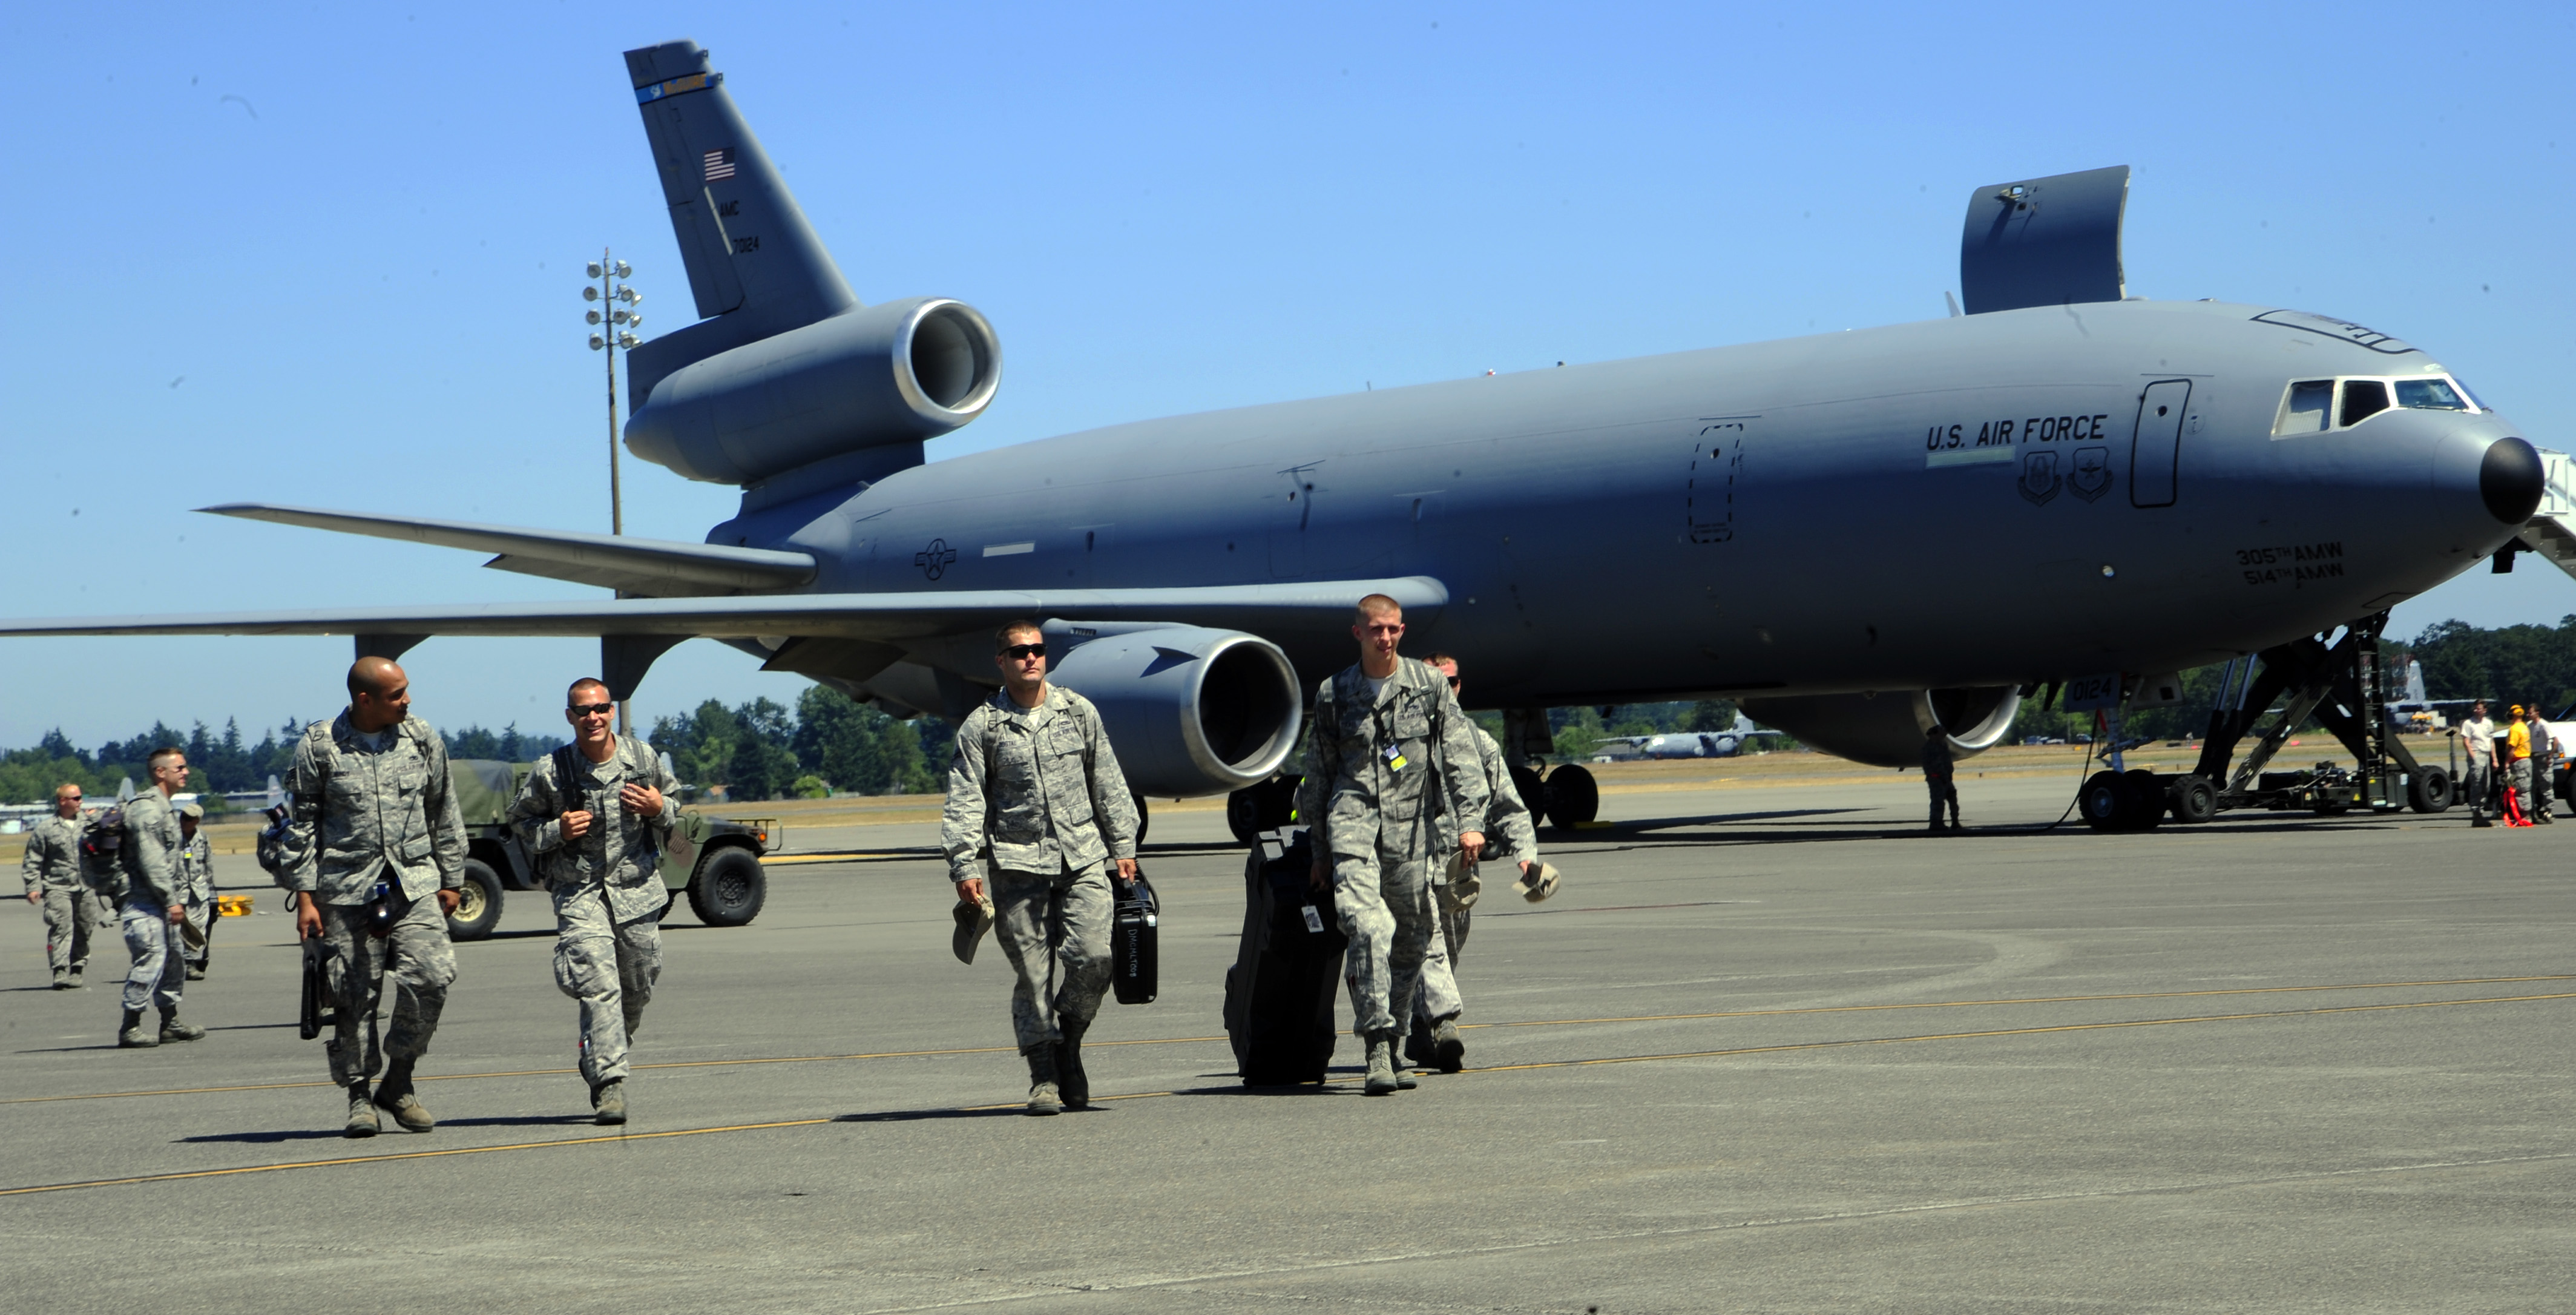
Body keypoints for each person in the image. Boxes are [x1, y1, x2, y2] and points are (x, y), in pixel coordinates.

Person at [941, 621, 1141, 1115]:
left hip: (1083, 859)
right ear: (1001, 662)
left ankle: (1067, 1039)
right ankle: (1044, 1077)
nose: (1030, 658)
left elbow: (1107, 779)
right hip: (1016, 865)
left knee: (1096, 957)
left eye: (1037, 650)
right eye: (1019, 652)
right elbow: (965, 797)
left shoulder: (1077, 712)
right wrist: (964, 862)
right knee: (1033, 977)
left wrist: (1124, 845)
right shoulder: (983, 726)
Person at [1295, 595, 1488, 1096]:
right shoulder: (1335, 693)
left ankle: (1399, 1038)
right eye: (1375, 630)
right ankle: (1377, 1046)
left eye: (1393, 630)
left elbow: (1461, 755)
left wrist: (1471, 823)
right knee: (1369, 928)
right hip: (1353, 828)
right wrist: (1319, 851)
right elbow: (1316, 778)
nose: (1385, 638)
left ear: (1403, 631)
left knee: (1412, 939)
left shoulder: (1428, 690)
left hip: (1413, 835)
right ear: (1357, 633)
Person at [283, 656, 465, 1138]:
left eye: (406, 690)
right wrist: (305, 898)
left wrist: (452, 878)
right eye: (397, 693)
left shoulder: (421, 738)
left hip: (414, 882)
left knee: (432, 976)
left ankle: (399, 1079)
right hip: (344, 890)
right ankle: (359, 1096)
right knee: (352, 997)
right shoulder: (319, 747)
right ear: (365, 700)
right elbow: (301, 825)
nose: (407, 700)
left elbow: (444, 809)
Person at [507, 677, 684, 1125]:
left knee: (638, 986)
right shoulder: (552, 771)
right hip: (580, 893)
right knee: (598, 985)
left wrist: (657, 808)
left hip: (636, 891)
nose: (594, 717)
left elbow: (676, 808)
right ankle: (610, 1085)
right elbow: (521, 826)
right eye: (583, 710)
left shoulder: (643, 759)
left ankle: (600, 1052)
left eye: (602, 708)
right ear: (570, 716)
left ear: (611, 711)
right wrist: (557, 832)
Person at [1407, 654, 1544, 1073]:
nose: (1445, 689)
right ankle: (1446, 1025)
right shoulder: (1398, 737)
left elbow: (1508, 805)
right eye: (1436, 682)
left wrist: (1527, 857)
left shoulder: (1477, 741)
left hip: (1459, 871)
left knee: (1448, 946)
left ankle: (1420, 1029)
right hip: (1408, 863)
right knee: (1426, 942)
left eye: (1452, 681)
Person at [114, 748, 202, 1048]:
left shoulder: (165, 807)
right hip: (145, 903)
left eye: (185, 767)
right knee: (150, 961)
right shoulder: (148, 810)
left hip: (162, 903)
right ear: (160, 772)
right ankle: (131, 1027)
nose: (186, 772)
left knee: (174, 962)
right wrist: (170, 900)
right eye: (179, 768)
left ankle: (170, 1022)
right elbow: (153, 861)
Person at [21, 783, 108, 990]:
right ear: (63, 801)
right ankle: (60, 970)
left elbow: (109, 829)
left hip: (86, 885)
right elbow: (33, 859)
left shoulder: (88, 823)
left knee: (85, 928)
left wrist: (96, 817)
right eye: (76, 798)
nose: (81, 802)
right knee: (61, 927)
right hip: (57, 886)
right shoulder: (46, 828)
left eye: (81, 798)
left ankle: (77, 968)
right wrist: (33, 887)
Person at [176, 802, 216, 979]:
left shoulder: (202, 838)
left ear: (197, 821)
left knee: (197, 929)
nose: (184, 821)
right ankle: (178, 965)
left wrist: (211, 890)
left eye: (189, 819)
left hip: (198, 890)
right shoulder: (173, 837)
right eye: (183, 817)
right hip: (177, 890)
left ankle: (192, 964)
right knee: (176, 931)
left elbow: (208, 864)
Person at [2459, 700, 2496, 828]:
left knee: (2486, 785)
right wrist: (2473, 756)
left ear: (2485, 710)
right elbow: (2466, 741)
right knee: (2477, 784)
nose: (2476, 710)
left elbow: (2491, 742)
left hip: (2486, 755)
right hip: (2476, 753)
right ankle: (2476, 813)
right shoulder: (2469, 724)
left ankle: (2481, 811)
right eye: (2475, 708)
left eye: (2479, 708)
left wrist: (2494, 759)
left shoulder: (2488, 723)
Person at [1921, 725, 1961, 833]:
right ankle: (1936, 823)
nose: (1944, 733)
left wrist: (1949, 775)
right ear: (1934, 734)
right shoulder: (1930, 747)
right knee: (1938, 801)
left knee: (1953, 799)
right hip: (1937, 779)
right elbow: (1936, 764)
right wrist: (1944, 776)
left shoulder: (1943, 745)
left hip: (1946, 778)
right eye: (1941, 731)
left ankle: (1955, 822)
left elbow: (1946, 761)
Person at [2524, 704, 2555, 825]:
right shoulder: (2529, 726)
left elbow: (2555, 741)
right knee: (2531, 786)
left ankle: (2549, 810)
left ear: (2537, 712)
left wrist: (2550, 756)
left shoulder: (2544, 725)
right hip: (2532, 757)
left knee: (2546, 785)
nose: (2528, 714)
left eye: (2530, 712)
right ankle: (2533, 811)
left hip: (2543, 756)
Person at [2505, 705, 2534, 826]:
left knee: (2520, 790)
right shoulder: (2524, 727)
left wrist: (2506, 763)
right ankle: (2524, 815)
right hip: (2526, 761)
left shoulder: (2515, 729)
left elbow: (2512, 748)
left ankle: (2524, 816)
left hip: (2519, 762)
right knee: (2524, 789)